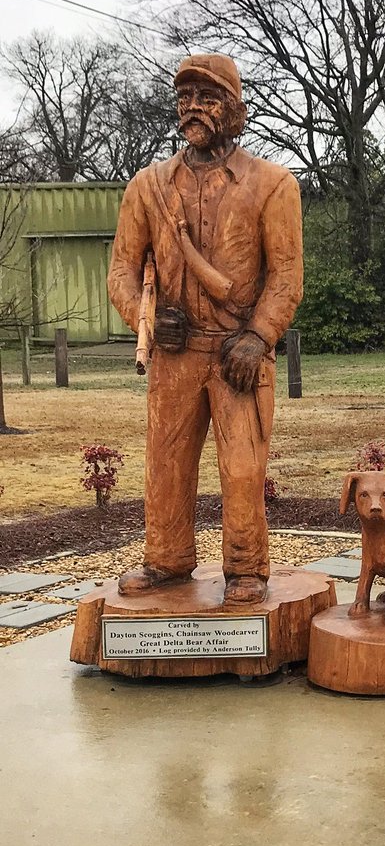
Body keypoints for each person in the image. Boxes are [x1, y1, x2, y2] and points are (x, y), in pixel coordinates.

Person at [108, 54, 303, 605]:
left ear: (236, 109)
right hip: (173, 358)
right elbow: (122, 272)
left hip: (238, 356)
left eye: (208, 97)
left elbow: (287, 275)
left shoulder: (272, 184)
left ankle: (246, 566)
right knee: (165, 463)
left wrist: (260, 336)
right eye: (185, 98)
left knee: (243, 468)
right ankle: (166, 561)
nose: (193, 108)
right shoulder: (147, 188)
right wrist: (144, 319)